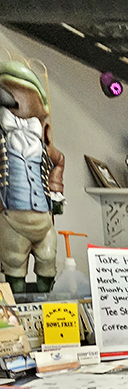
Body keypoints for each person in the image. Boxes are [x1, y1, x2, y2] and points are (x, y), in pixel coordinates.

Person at [0, 61, 65, 294]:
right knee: (14, 264)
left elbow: (59, 161)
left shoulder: (42, 142)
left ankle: (46, 308)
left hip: (44, 221)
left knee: (48, 261)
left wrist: (56, 190)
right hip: (12, 218)